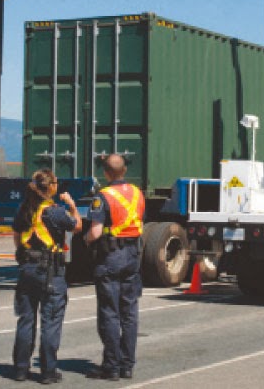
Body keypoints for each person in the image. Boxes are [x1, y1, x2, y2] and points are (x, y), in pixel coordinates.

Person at [11, 168, 81, 383]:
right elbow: (77, 226)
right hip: (50, 271)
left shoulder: (23, 209)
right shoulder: (54, 211)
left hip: (27, 269)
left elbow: (16, 236)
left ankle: (21, 369)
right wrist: (72, 205)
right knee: (50, 321)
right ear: (51, 187)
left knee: (26, 320)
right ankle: (48, 372)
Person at [84, 154, 145, 381]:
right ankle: (127, 365)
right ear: (124, 170)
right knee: (129, 313)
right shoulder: (137, 193)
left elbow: (96, 231)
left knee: (110, 313)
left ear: (107, 173)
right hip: (132, 255)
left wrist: (87, 240)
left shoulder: (104, 196)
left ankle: (111, 366)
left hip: (110, 257)